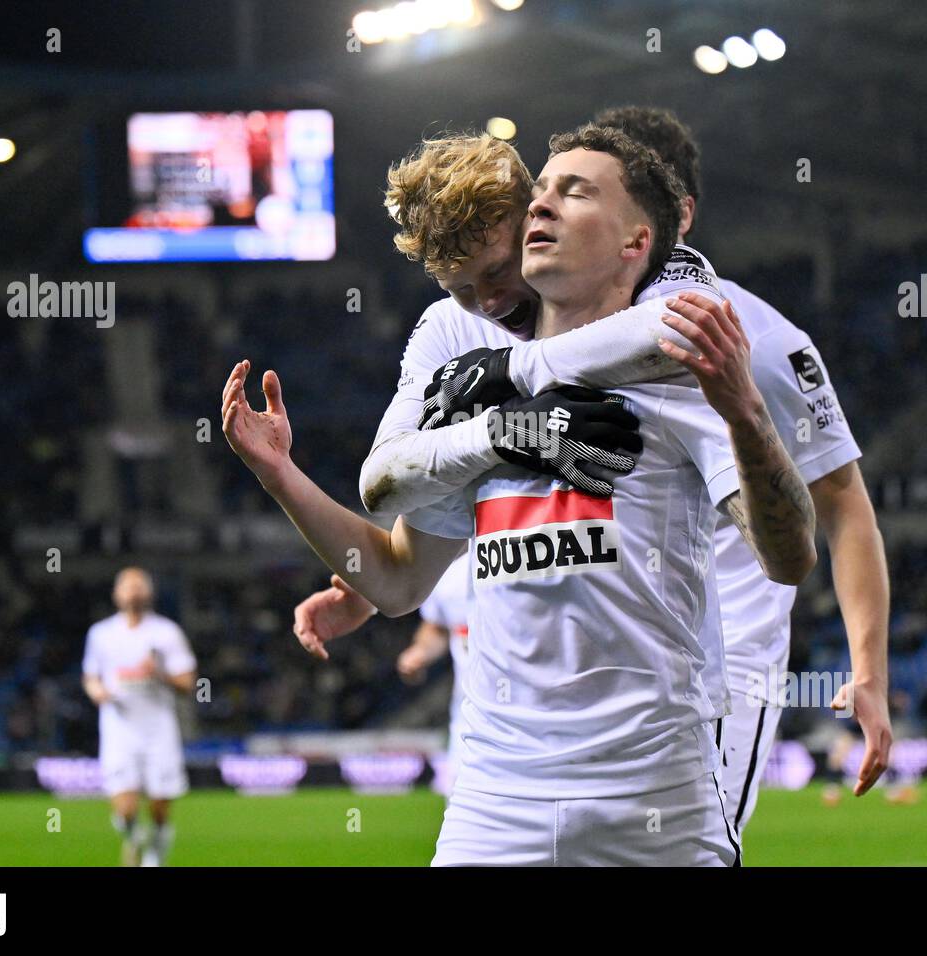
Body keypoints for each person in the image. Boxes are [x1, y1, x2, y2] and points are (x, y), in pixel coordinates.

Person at [224, 125, 816, 864]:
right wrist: (285, 475)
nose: (488, 303)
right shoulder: (455, 343)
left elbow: (791, 552)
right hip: (494, 795)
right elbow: (392, 539)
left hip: (653, 785)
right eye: (461, 289)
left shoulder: (671, 340)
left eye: (496, 269)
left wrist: (515, 377)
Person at [348, 108, 890, 836]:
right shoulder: (520, 320)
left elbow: (843, 501)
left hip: (719, 661)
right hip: (561, 676)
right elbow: (407, 494)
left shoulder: (745, 335)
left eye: (581, 194)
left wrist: (869, 671)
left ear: (664, 222)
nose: (551, 211)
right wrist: (365, 584)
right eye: (551, 191)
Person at [82, 567, 197, 867]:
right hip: (119, 728)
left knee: (159, 805)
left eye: (138, 586)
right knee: (125, 808)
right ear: (116, 594)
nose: (133, 592)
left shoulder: (167, 633)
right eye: (127, 586)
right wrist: (97, 692)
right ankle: (135, 837)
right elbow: (90, 676)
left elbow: (187, 684)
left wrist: (157, 673)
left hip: (158, 728)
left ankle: (154, 854)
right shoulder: (101, 634)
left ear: (149, 593)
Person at [397, 553, 474, 793]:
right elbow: (436, 627)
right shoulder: (451, 575)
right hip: (469, 732)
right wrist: (420, 652)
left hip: (542, 728)